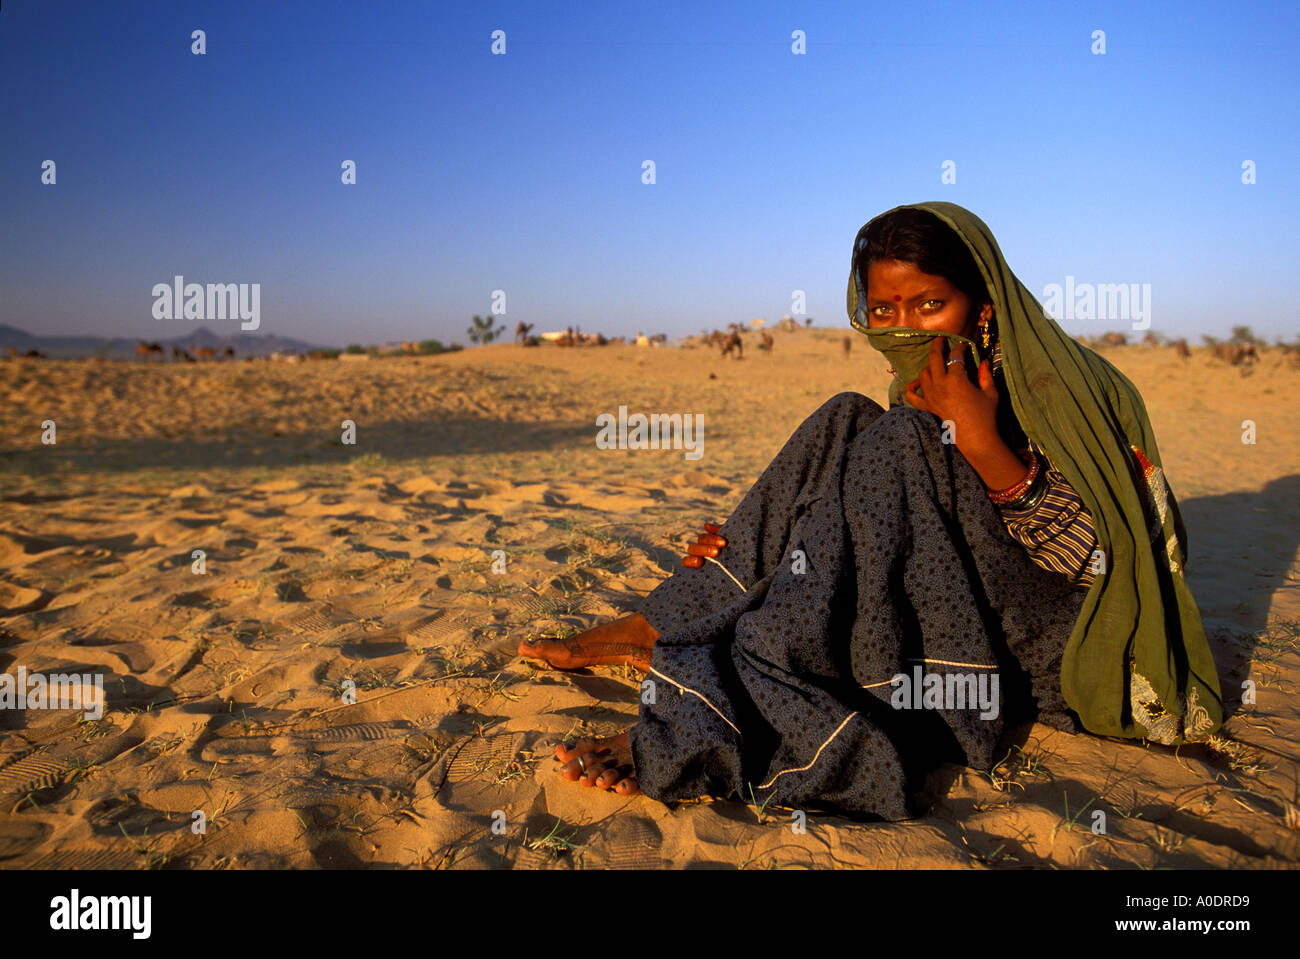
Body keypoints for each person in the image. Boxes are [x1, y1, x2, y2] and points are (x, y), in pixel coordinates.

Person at [518, 201, 1224, 816]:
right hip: (966, 608)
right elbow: (883, 523)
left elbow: (1103, 564)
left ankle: (721, 714)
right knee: (846, 417)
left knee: (899, 437)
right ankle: (667, 618)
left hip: (1060, 647)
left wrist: (988, 450)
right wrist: (748, 540)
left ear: (981, 304)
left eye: (928, 304)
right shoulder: (928, 383)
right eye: (884, 309)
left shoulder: (1051, 389)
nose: (903, 325)